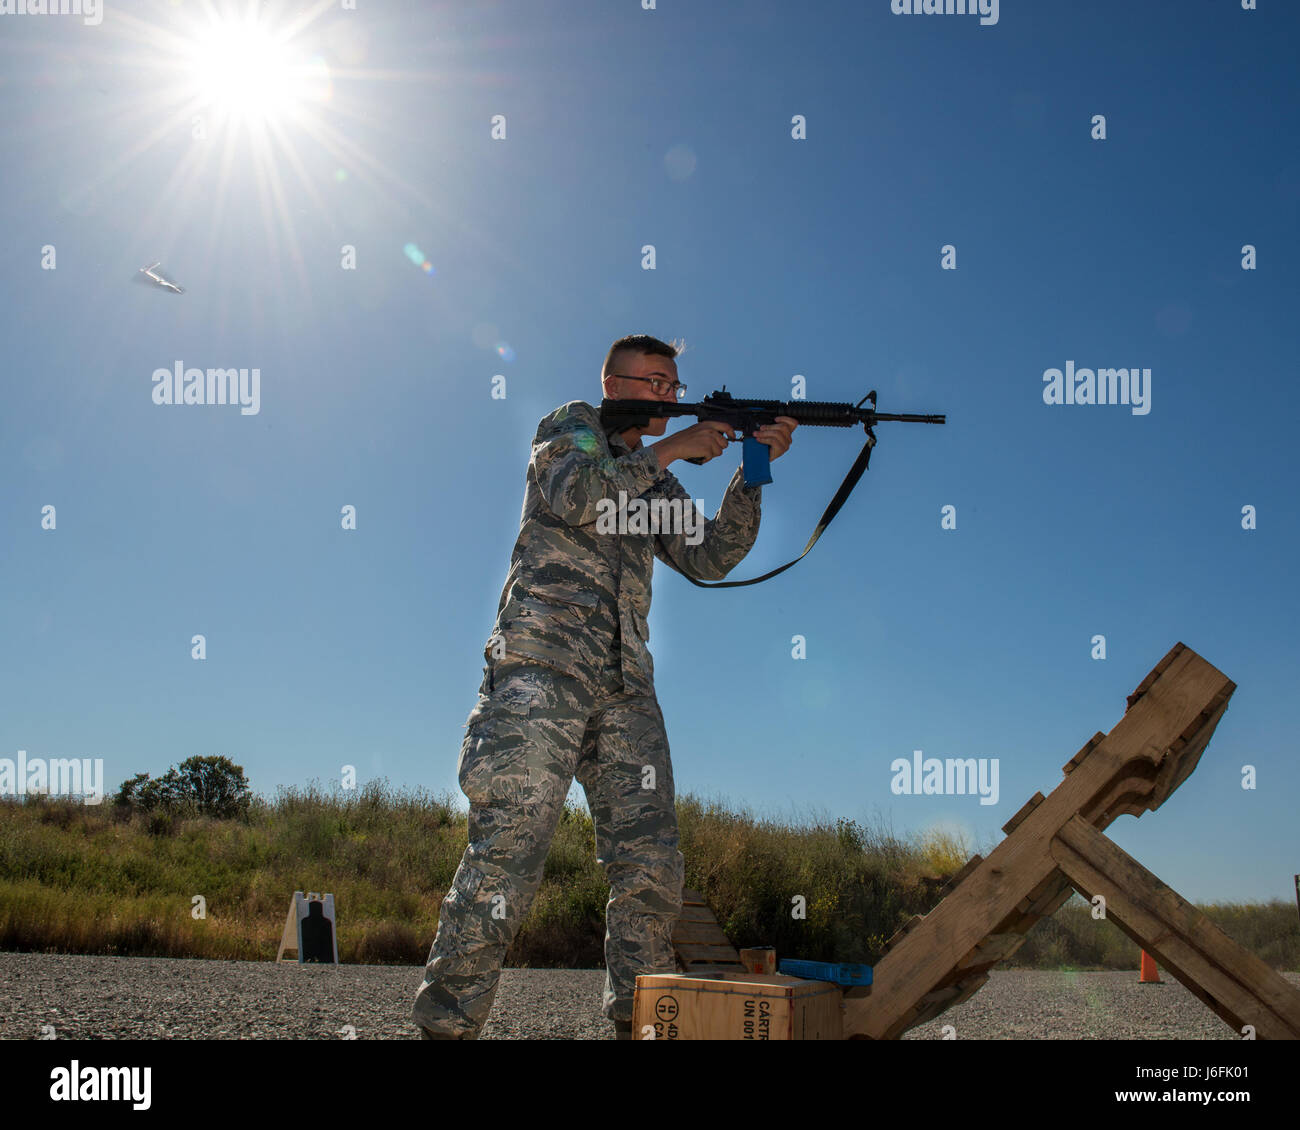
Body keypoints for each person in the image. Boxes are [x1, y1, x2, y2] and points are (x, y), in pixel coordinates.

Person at [411, 334, 796, 1040]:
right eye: (653, 382)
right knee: (508, 852)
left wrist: (753, 468)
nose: (667, 397)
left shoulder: (656, 482)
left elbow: (710, 557)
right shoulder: (573, 428)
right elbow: (575, 497)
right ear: (613, 385)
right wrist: (672, 449)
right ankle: (447, 1026)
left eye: (673, 384)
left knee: (651, 867)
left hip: (625, 689)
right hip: (541, 669)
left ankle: (637, 1024)